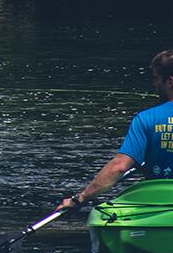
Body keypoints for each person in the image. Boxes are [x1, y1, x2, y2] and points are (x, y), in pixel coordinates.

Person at [59, 49, 173, 212]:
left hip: (160, 203)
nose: (154, 84)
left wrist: (80, 198)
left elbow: (119, 166)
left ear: (170, 81)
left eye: (156, 78)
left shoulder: (146, 119)